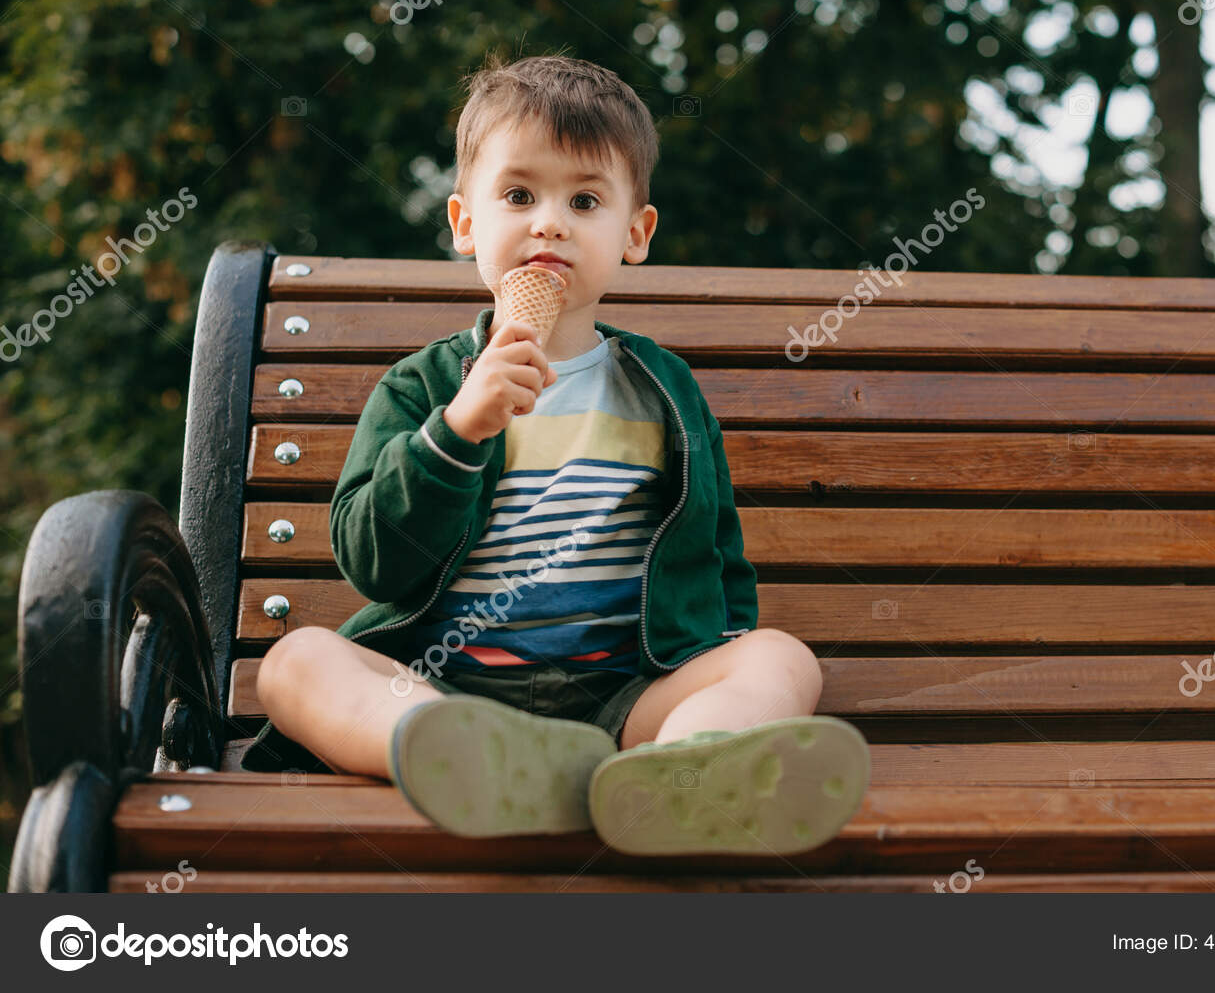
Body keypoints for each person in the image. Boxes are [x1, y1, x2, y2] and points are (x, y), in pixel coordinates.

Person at [240, 53, 870, 856]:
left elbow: (716, 558)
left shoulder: (663, 389)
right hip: (447, 681)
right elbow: (371, 560)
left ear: (633, 234)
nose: (550, 222)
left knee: (781, 657)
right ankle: (455, 749)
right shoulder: (423, 386)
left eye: (584, 199)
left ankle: (687, 767)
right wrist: (457, 430)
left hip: (619, 700)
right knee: (295, 661)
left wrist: (720, 664)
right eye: (518, 195)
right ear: (465, 222)